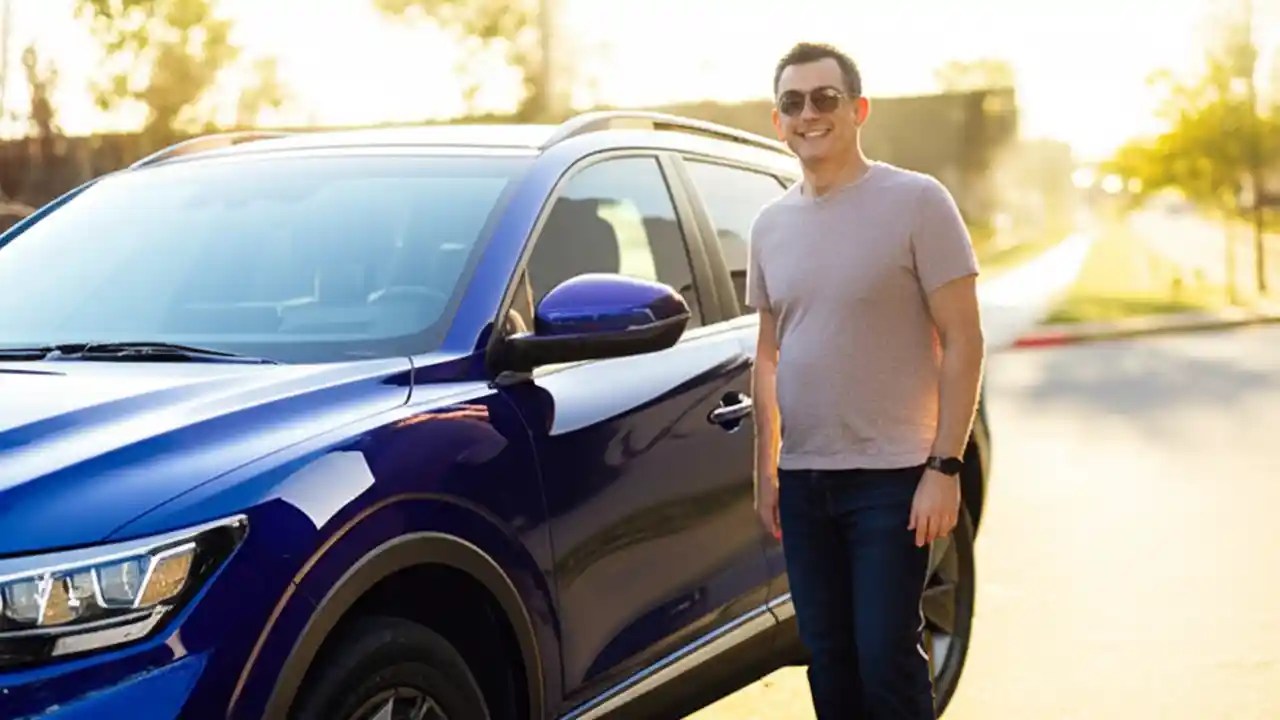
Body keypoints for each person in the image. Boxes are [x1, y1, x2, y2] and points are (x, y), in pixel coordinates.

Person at [747, 42, 986, 719]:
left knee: (886, 662)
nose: (809, 113)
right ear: (777, 120)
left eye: (825, 98)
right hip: (805, 480)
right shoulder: (769, 226)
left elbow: (965, 338)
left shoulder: (916, 202)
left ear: (858, 109)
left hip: (893, 478)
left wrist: (946, 465)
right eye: (793, 103)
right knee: (829, 664)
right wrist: (765, 468)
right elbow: (767, 356)